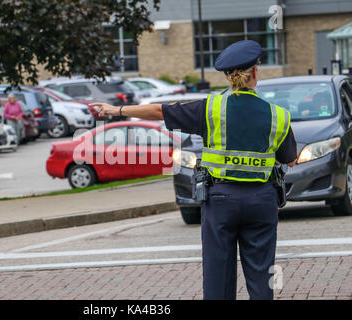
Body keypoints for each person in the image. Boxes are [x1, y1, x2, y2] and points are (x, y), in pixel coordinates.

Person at [90, 40, 298, 300]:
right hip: (261, 201)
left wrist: (115, 110)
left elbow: (159, 110)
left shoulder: (209, 108)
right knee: (260, 273)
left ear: (227, 76)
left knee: (218, 273)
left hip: (221, 200)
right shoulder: (278, 115)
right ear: (255, 73)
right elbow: (290, 159)